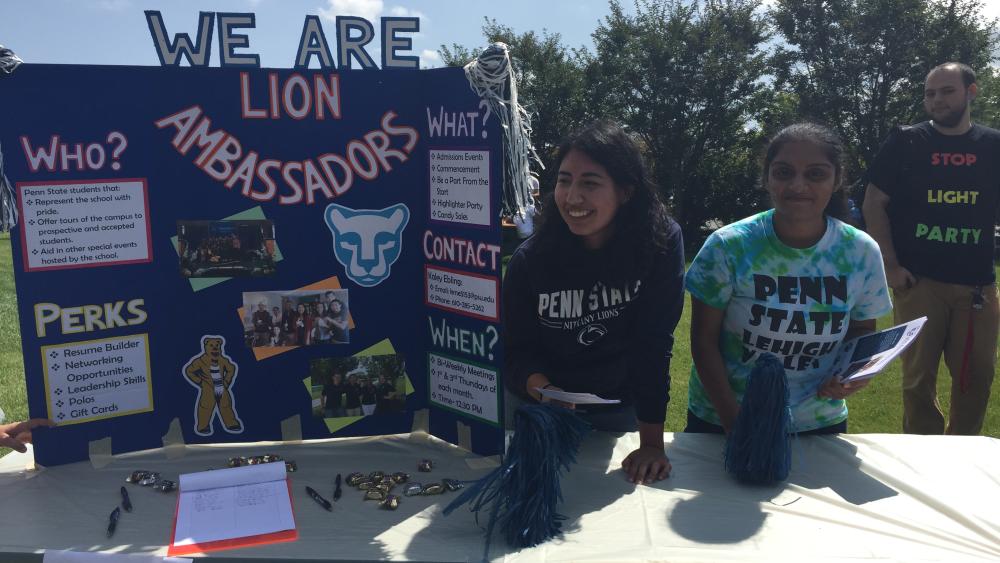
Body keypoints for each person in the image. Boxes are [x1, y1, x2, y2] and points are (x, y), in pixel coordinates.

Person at [502, 120, 685, 484]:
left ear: (626, 190)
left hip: (617, 407)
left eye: (590, 183)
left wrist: (651, 444)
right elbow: (513, 351)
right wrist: (544, 390)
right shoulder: (531, 259)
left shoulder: (659, 243)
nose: (572, 198)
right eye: (565, 180)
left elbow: (654, 343)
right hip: (537, 404)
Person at [686, 123, 892, 436]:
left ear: (837, 179)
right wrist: (733, 420)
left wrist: (849, 374)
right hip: (724, 416)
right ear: (767, 176)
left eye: (815, 174)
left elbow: (862, 330)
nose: (798, 185)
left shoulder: (860, 251)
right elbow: (704, 341)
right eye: (784, 172)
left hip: (817, 418)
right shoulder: (729, 245)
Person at [863, 62, 999, 435]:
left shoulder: (993, 145)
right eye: (930, 93)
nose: (936, 100)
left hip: (977, 289)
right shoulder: (907, 141)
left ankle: (962, 455)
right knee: (917, 382)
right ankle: (923, 459)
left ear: (971, 92)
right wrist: (890, 265)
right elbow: (874, 202)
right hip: (919, 283)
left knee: (977, 378)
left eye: (947, 91)